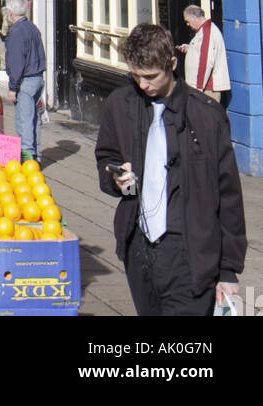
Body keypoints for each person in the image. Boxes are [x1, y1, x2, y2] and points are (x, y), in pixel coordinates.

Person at [95, 23, 246, 317]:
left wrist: (228, 269)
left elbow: (229, 195)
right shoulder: (120, 105)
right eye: (136, 76)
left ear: (172, 64)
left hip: (189, 253)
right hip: (138, 247)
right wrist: (115, 178)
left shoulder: (206, 115)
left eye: (151, 76)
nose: (143, 85)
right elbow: (106, 157)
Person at [4, 0, 46, 162]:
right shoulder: (32, 28)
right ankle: (36, 155)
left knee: (24, 121)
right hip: (38, 78)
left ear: (10, 12)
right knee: (34, 120)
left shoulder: (16, 32)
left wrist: (13, 88)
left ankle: (27, 159)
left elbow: (16, 63)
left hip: (26, 81)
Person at [178, 5, 231, 103]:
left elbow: (206, 61)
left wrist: (198, 88)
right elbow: (202, 52)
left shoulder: (207, 32)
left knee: (205, 117)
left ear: (194, 18)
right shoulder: (204, 31)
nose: (187, 24)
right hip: (203, 87)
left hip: (206, 88)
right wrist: (190, 49)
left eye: (187, 21)